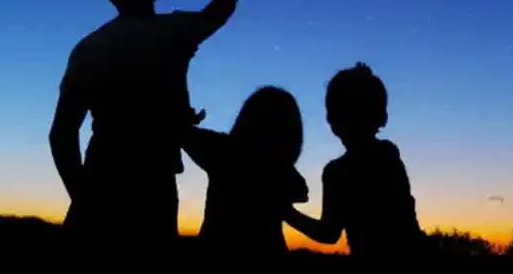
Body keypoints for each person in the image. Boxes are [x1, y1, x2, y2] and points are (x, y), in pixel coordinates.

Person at [48, 0, 249, 252]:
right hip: (149, 187)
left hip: (104, 179)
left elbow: (62, 132)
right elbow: (209, 19)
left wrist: (84, 199)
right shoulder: (171, 32)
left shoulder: (89, 48)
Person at [285, 63, 425, 257]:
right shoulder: (389, 153)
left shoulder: (337, 172)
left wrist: (286, 212)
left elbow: (328, 233)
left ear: (333, 122)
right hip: (417, 260)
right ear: (382, 116)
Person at [182, 86, 309, 256]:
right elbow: (301, 193)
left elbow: (181, 132)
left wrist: (189, 119)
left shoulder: (222, 150)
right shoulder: (283, 170)